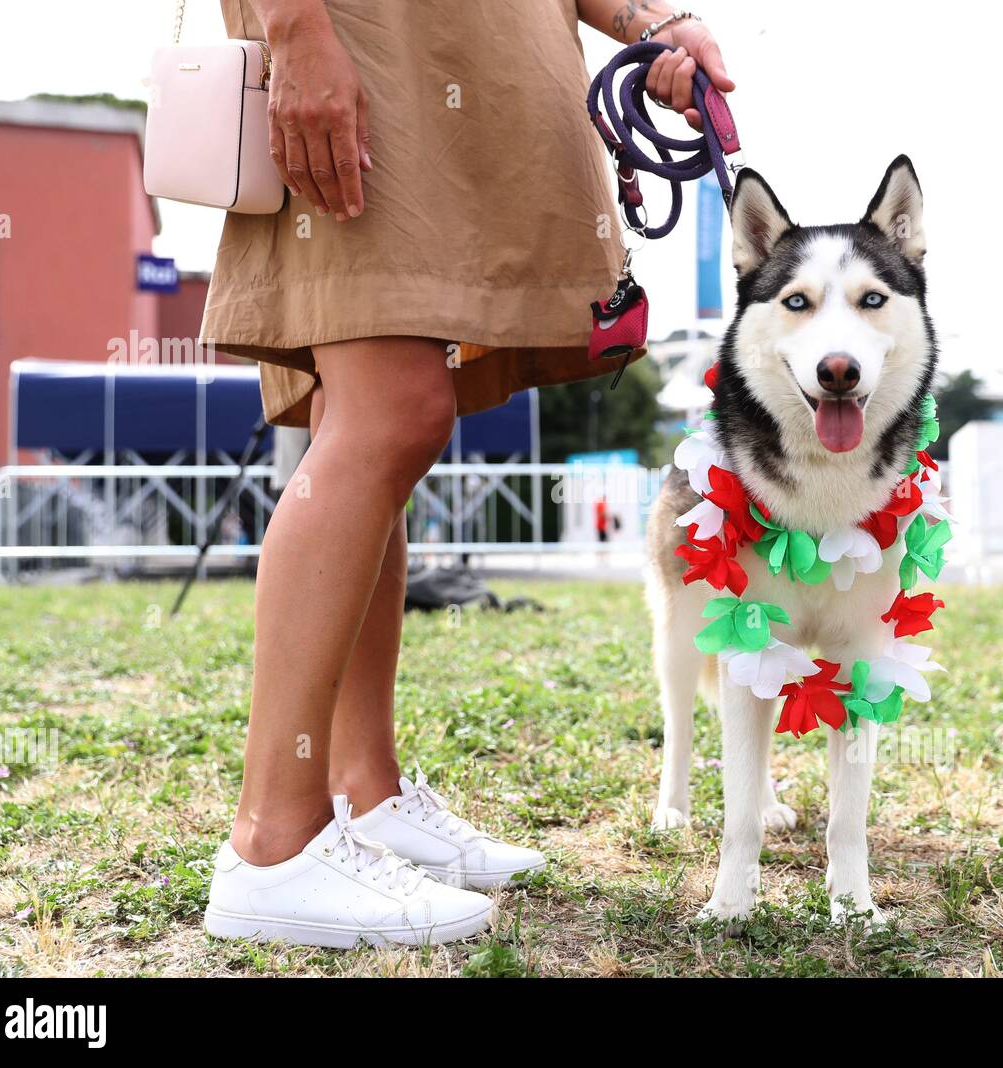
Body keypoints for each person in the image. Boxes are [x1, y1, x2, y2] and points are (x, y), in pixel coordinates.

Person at [199, 0, 735, 948]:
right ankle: (274, 841)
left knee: (361, 413)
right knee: (391, 408)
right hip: (366, 35)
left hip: (474, 54)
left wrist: (655, 21)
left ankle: (365, 792)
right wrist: (295, 31)